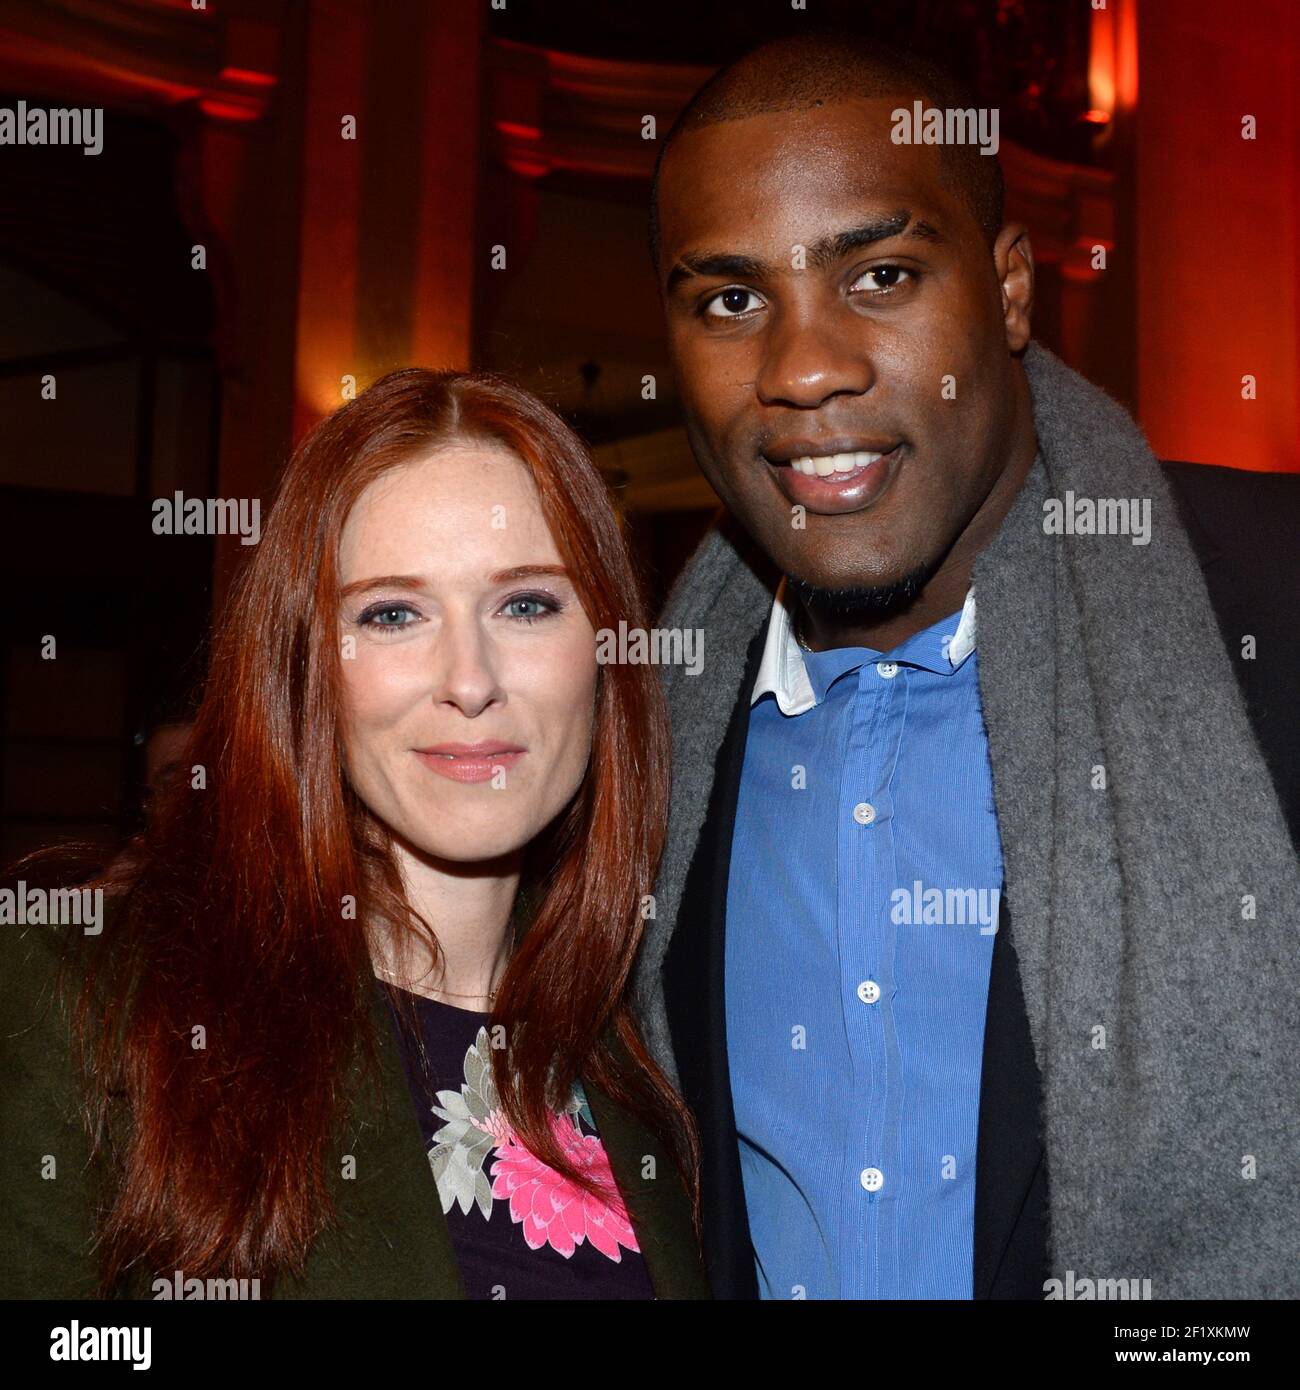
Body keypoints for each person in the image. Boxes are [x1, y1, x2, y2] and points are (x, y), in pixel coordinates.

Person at [632, 31, 1300, 1300]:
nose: (802, 366)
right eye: (730, 299)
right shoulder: (630, 741)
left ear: (1005, 290)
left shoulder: (1266, 607)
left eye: (879, 273)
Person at [0, 368, 707, 1301]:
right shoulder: (89, 1004)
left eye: (526, 603)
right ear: (307, 669)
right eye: (392, 614)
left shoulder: (650, 1049)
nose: (468, 677)